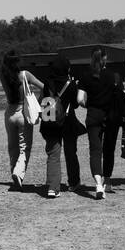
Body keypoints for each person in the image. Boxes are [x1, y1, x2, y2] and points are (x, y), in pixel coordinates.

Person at [77, 48, 122, 198]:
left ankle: (97, 184)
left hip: (93, 115)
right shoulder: (113, 76)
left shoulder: (85, 76)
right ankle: (107, 182)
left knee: (95, 151)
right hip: (110, 116)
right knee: (108, 150)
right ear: (105, 59)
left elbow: (79, 99)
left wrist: (88, 105)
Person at [38, 55, 83, 198]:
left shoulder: (47, 81)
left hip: (50, 119)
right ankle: (74, 182)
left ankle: (52, 186)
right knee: (70, 153)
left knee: (53, 154)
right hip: (68, 121)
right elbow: (75, 104)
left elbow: (43, 101)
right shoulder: (70, 83)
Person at [0, 50, 45, 189]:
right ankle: (18, 173)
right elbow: (44, 87)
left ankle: (14, 171)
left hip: (9, 113)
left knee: (12, 146)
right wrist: (38, 101)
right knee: (25, 146)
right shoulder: (25, 75)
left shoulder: (3, 76)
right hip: (23, 113)